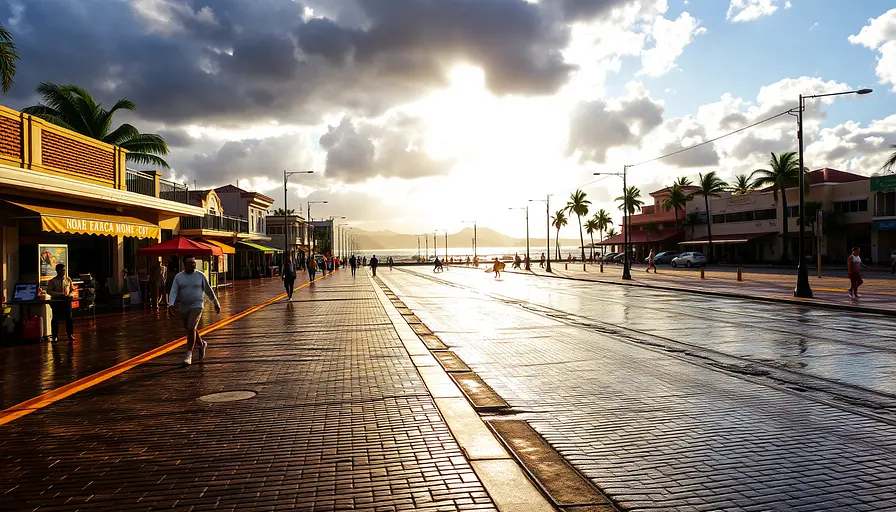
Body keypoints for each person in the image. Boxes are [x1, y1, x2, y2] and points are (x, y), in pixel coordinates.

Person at [168, 255, 220, 365]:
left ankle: (189, 354)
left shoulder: (200, 275)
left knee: (191, 326)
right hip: (184, 307)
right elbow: (173, 291)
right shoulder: (179, 277)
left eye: (194, 262)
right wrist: (171, 304)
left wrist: (216, 302)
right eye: (190, 263)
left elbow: (208, 289)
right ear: (184, 264)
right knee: (190, 328)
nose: (193, 265)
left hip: (197, 305)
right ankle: (201, 344)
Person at [47, 263, 77, 342]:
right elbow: (49, 291)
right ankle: (54, 336)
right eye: (61, 270)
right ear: (57, 271)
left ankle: (70, 334)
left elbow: (73, 290)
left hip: (67, 301)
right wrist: (59, 294)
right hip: (57, 301)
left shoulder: (68, 279)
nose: (63, 272)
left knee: (69, 318)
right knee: (55, 319)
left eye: (64, 270)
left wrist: (70, 295)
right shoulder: (52, 281)